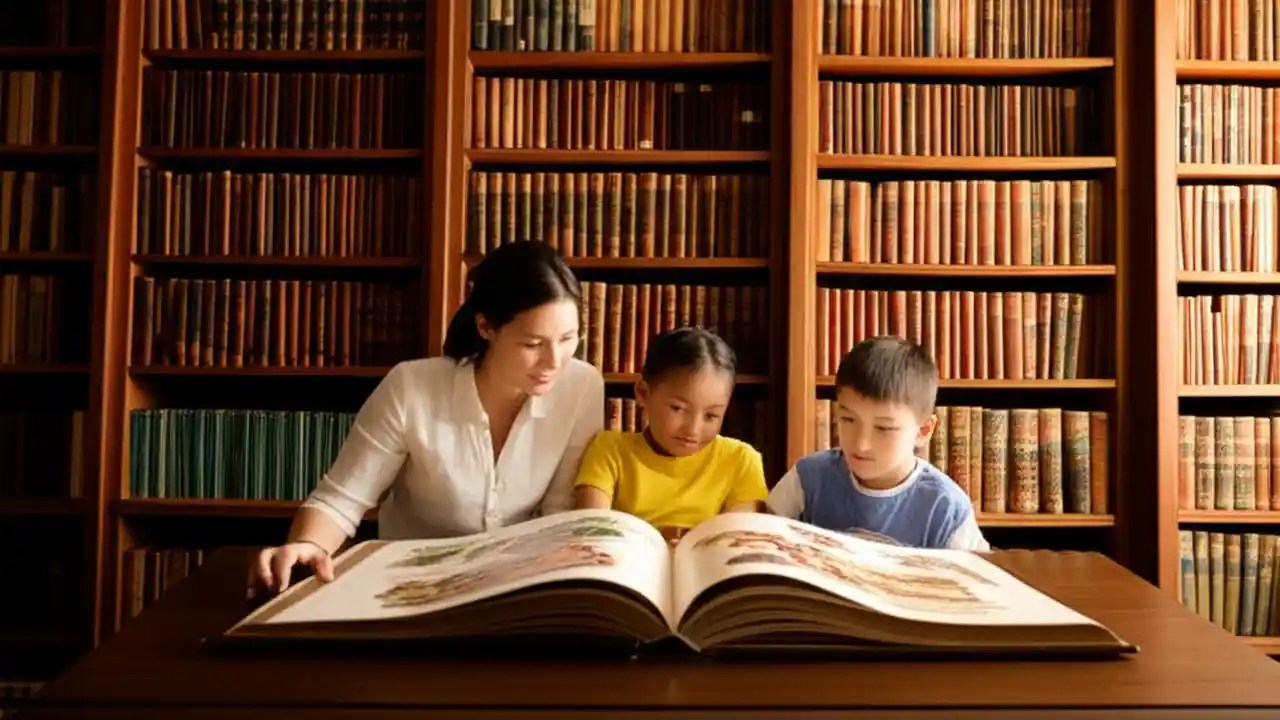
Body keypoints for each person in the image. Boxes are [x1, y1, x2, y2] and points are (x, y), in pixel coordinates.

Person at [247, 241, 605, 599]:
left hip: (517, 591)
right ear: (485, 326)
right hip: (407, 592)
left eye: (568, 338)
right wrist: (310, 545)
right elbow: (342, 499)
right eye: (532, 344)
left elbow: (560, 514)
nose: (554, 361)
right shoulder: (411, 387)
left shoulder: (581, 386)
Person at [767, 336, 990, 551]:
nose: (861, 444)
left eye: (883, 428)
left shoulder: (946, 508)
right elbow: (759, 537)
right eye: (848, 419)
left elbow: (976, 581)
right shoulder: (808, 479)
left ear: (923, 430)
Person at [572, 326, 767, 545]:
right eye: (678, 408)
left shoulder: (741, 460)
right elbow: (592, 533)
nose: (693, 429)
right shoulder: (610, 450)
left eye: (711, 416)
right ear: (643, 393)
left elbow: (740, 543)